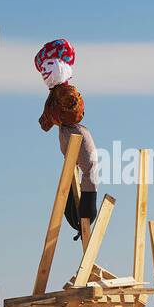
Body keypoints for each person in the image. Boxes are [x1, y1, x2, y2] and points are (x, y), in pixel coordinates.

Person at [35, 39, 99, 238]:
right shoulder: (62, 93)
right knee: (88, 167)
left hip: (68, 133)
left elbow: (65, 114)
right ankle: (84, 210)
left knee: (79, 169)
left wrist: (49, 119)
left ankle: (81, 210)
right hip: (71, 133)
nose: (44, 72)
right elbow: (73, 113)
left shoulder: (59, 93)